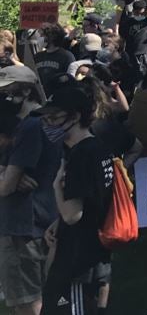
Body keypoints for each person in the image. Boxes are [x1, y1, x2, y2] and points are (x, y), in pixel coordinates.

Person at [37, 87, 115, 315]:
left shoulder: (81, 155)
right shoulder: (97, 148)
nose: (48, 125)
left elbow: (73, 215)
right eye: (45, 118)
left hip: (79, 261)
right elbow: (89, 201)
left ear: (76, 116)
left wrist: (56, 188)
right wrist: (57, 222)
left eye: (54, 118)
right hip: (92, 252)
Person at [0, 65, 58, 315]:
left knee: (28, 300)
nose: (4, 98)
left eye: (8, 92)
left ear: (25, 92)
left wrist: (7, 177)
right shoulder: (47, 122)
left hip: (23, 225)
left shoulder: (30, 127)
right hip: (44, 216)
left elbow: (5, 187)